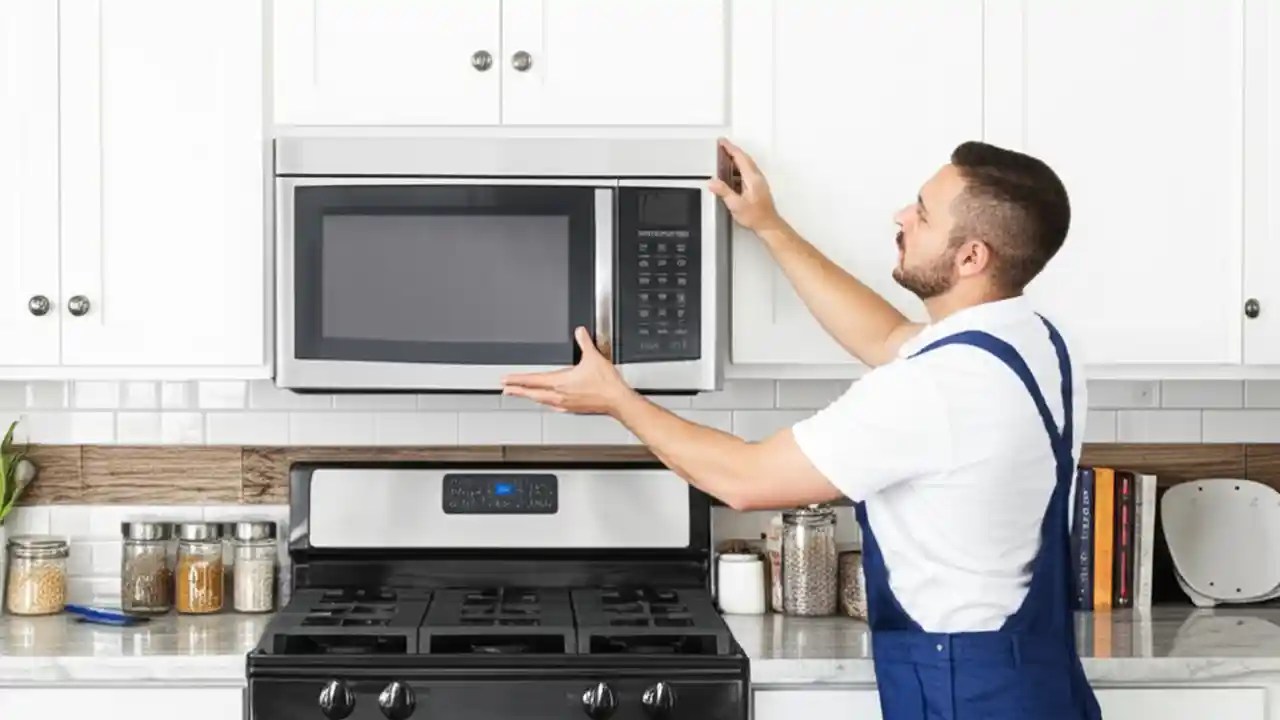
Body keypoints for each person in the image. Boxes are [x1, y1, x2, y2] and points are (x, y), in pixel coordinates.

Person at [502, 138, 1102, 719]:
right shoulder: (1033, 340)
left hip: (963, 687)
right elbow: (886, 338)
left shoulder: (936, 388)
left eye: (921, 213)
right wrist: (770, 226)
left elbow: (742, 480)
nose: (901, 216)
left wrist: (617, 401)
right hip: (1040, 679)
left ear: (971, 256)